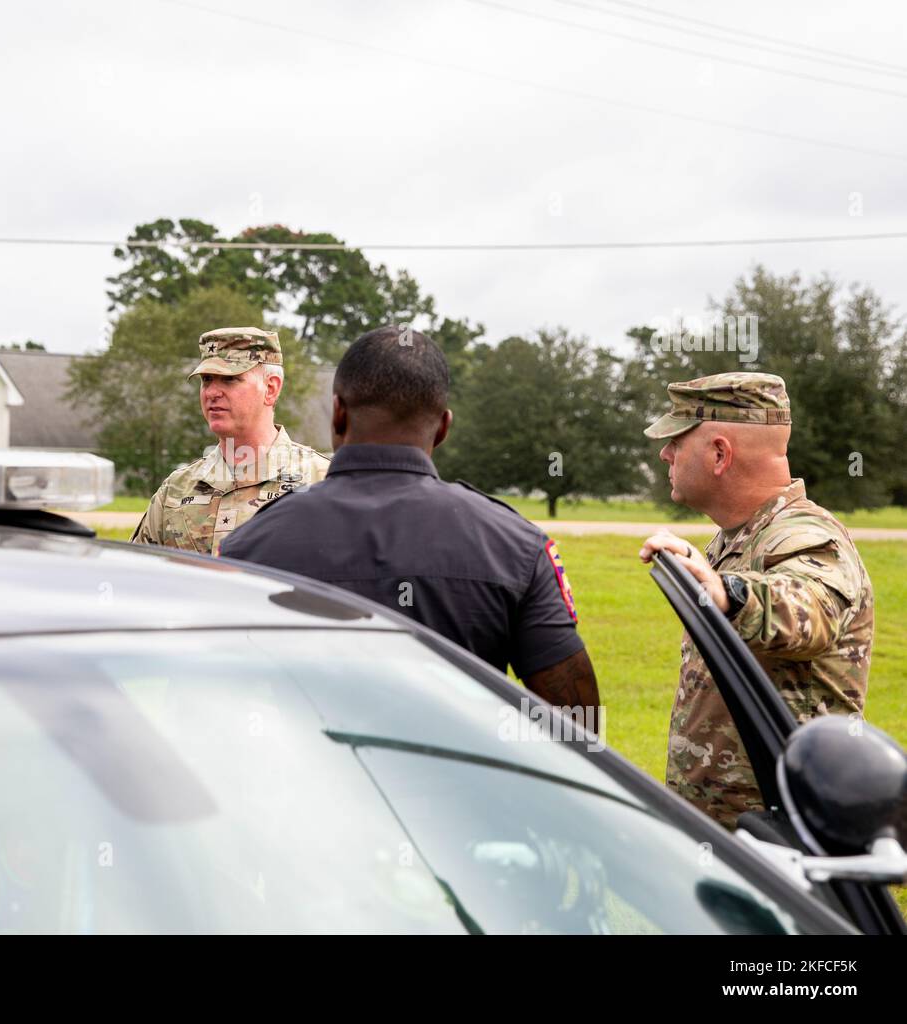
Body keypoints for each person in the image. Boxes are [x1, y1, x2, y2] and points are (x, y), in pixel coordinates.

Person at [223, 325, 600, 715]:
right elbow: (575, 718)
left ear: (337, 413)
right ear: (443, 428)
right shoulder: (515, 546)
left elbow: (220, 700)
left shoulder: (248, 546)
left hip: (303, 775)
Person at [638, 372, 873, 829]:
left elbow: (811, 608)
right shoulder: (737, 539)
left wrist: (729, 591)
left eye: (676, 441)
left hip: (782, 841)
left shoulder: (804, 536)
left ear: (720, 454)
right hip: (735, 832)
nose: (665, 453)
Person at [130, 327, 330, 555]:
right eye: (206, 380)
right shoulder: (174, 492)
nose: (212, 392)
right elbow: (137, 577)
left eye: (229, 379)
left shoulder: (320, 481)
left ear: (271, 389)